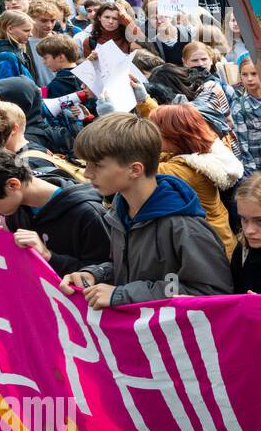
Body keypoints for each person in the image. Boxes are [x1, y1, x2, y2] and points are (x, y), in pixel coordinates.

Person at [59, 114, 231, 307]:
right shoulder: (119, 212)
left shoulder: (185, 227)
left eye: (97, 165)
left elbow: (211, 291)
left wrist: (124, 294)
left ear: (135, 170)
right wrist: (96, 274)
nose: (86, 173)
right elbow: (132, 270)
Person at [0, 145, 109, 276]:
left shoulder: (87, 213)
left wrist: (48, 256)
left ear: (13, 185)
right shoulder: (16, 208)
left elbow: (110, 274)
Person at [151, 103, 244, 257]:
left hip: (213, 250)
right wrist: (144, 101)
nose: (152, 135)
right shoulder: (204, 150)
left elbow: (139, 171)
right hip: (219, 239)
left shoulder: (186, 170)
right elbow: (167, 121)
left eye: (155, 132)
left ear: (173, 135)